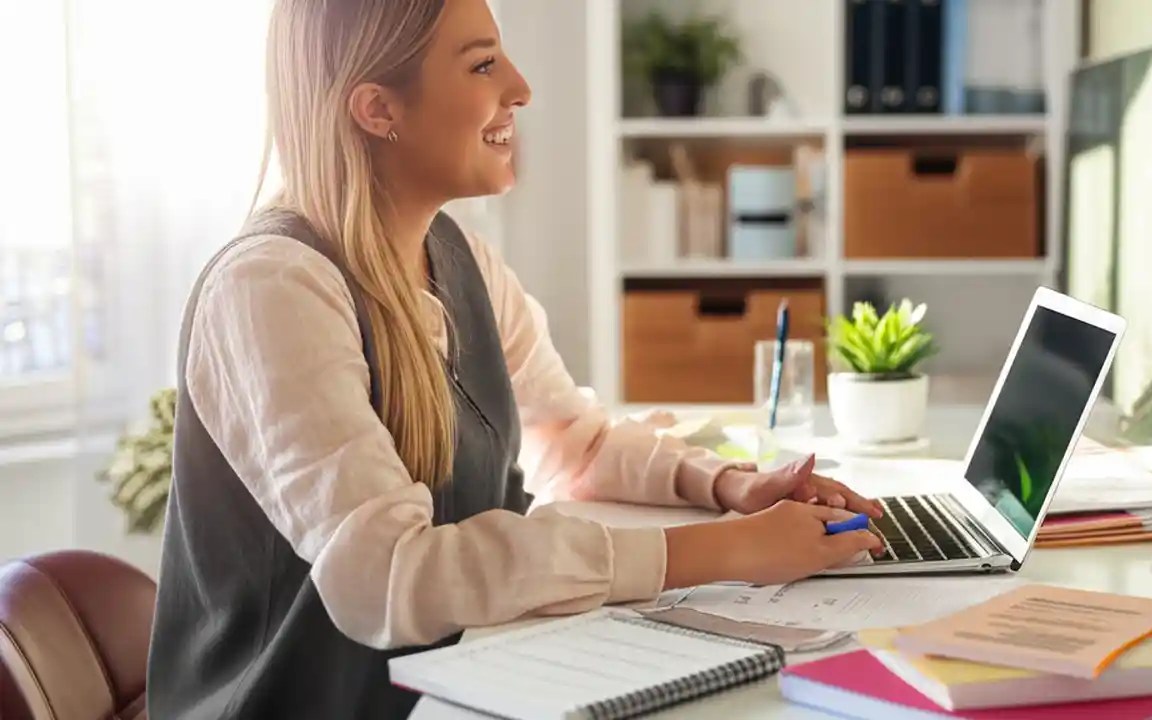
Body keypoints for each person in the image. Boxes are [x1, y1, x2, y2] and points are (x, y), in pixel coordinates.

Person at [146, 1, 883, 717]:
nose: (520, 89)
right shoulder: (272, 288)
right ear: (378, 109)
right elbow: (387, 579)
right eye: (483, 65)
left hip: (455, 681)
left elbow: (573, 442)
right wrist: (719, 553)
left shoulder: (455, 258)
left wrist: (728, 488)